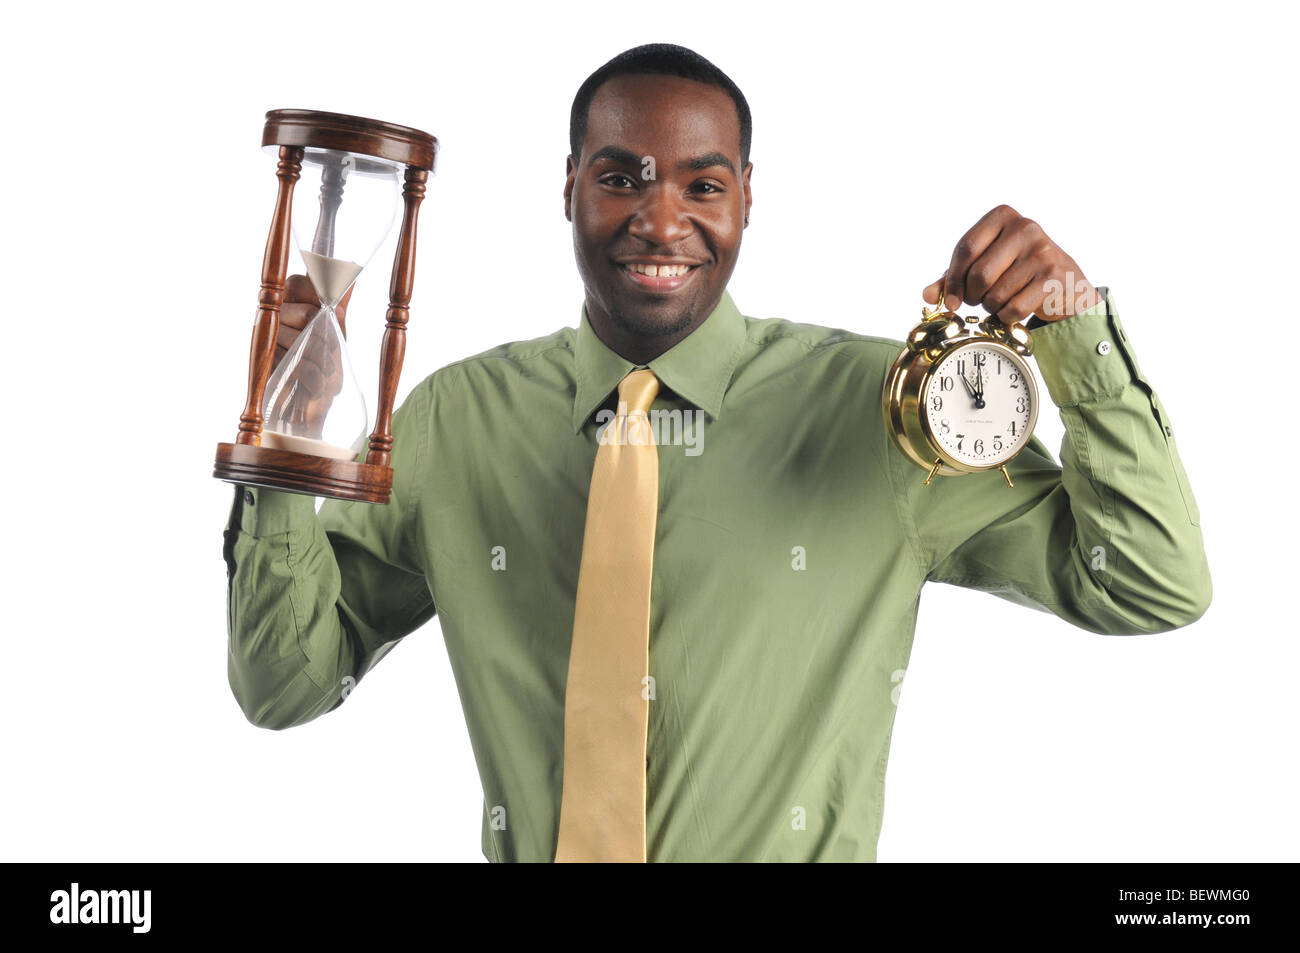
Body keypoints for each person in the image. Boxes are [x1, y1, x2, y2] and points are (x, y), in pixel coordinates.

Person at [222, 43, 1211, 862]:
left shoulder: (881, 411)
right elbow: (285, 684)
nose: (661, 220)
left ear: (747, 198)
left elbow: (1151, 583)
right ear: (568, 189)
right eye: (620, 178)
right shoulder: (457, 420)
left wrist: (1073, 332)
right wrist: (283, 442)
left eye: (704, 183)